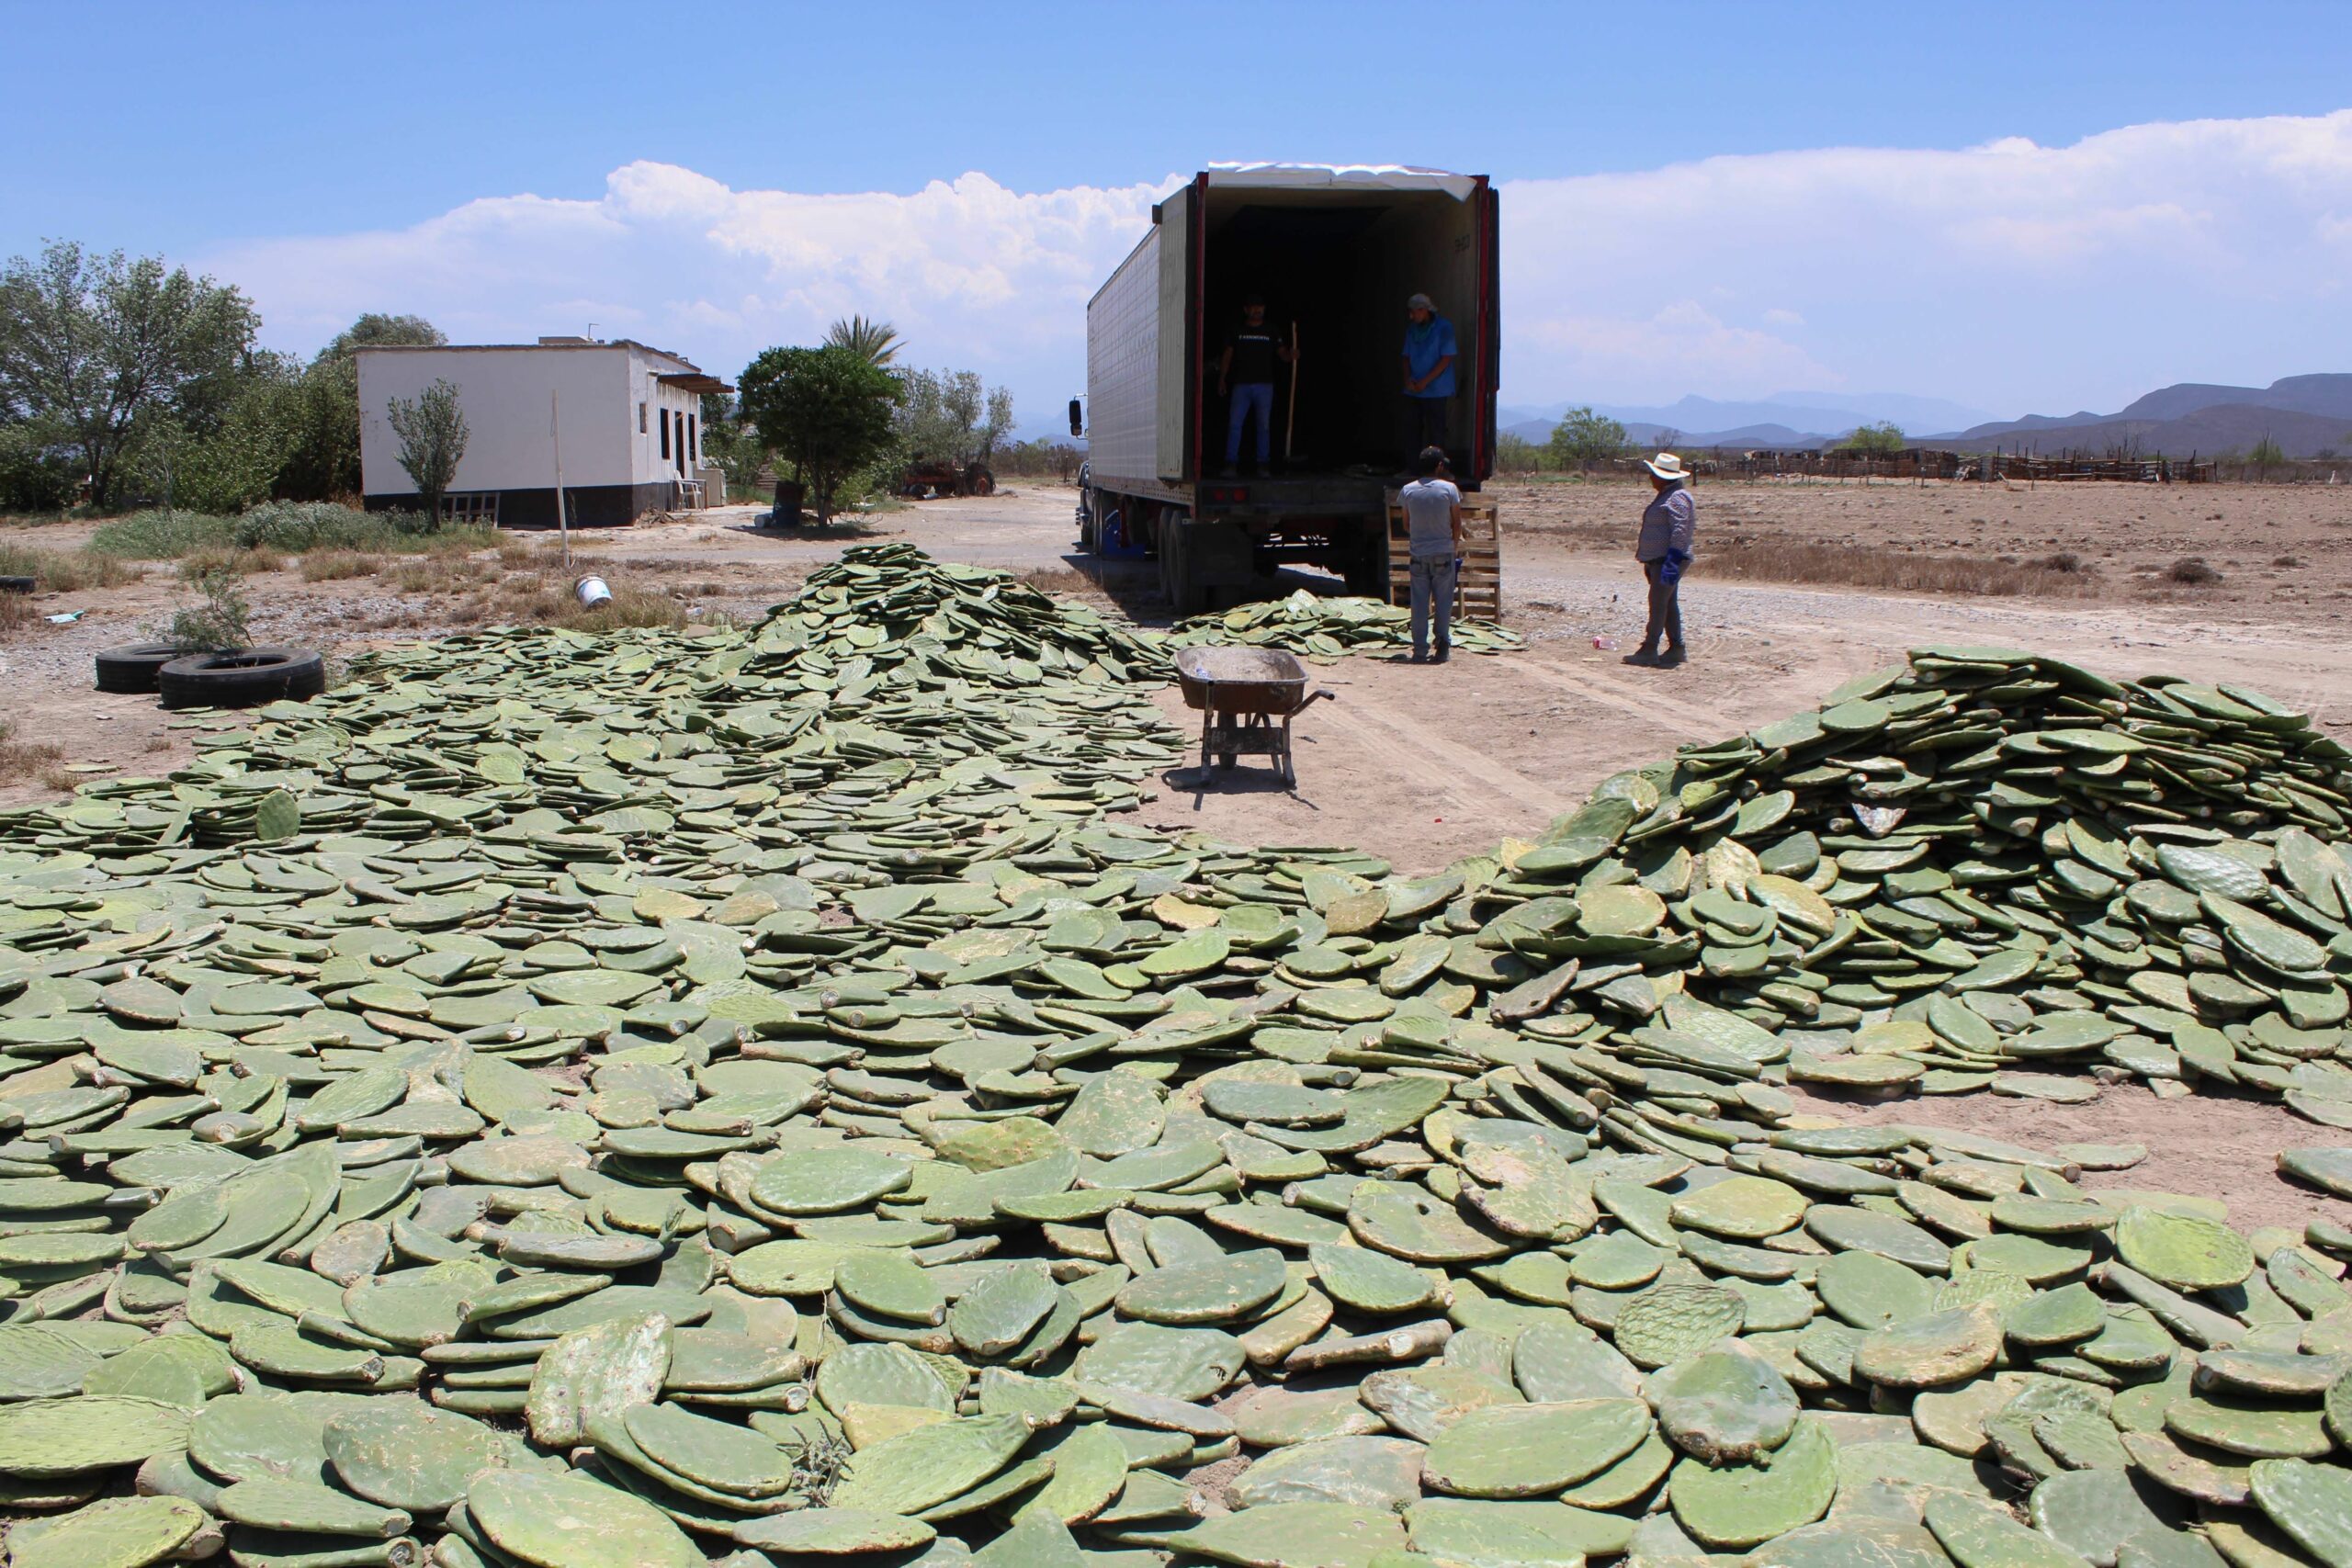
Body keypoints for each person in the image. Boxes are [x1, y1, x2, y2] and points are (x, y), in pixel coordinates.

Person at [1627, 452, 1697, 667]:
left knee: (1658, 603)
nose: (1650, 478)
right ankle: (1676, 648)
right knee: (1667, 603)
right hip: (1660, 560)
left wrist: (1671, 561)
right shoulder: (1668, 495)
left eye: (1653, 474)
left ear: (1663, 476)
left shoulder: (1677, 498)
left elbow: (1680, 530)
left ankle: (1649, 648)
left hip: (1669, 560)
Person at [1399, 444, 1464, 662]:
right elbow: (1457, 524)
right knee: (1444, 602)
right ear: (1439, 466)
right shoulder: (1449, 489)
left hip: (1419, 554)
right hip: (1443, 552)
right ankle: (1442, 645)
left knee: (1418, 603)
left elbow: (1406, 525)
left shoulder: (1408, 490)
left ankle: (1419, 650)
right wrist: (1452, 547)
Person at [1218, 297, 1293, 476]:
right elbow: (1227, 356)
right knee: (1235, 424)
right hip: (1241, 385)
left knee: (1264, 425)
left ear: (1264, 308)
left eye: (1260, 306)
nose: (1257, 310)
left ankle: (1263, 465)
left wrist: (1292, 355)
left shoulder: (1271, 330)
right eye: (1253, 307)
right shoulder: (1237, 330)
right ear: (1246, 310)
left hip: (1265, 386)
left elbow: (1283, 355)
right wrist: (1222, 378)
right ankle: (1230, 463)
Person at [1399, 292, 1456, 468]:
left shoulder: (1444, 328)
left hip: (1436, 389)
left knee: (1436, 431)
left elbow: (1446, 358)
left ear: (1424, 310)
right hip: (1414, 388)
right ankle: (1413, 468)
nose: (1411, 316)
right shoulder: (1412, 329)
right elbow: (1406, 357)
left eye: (1414, 312)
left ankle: (1437, 469)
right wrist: (1408, 379)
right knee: (1412, 429)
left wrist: (1426, 381)